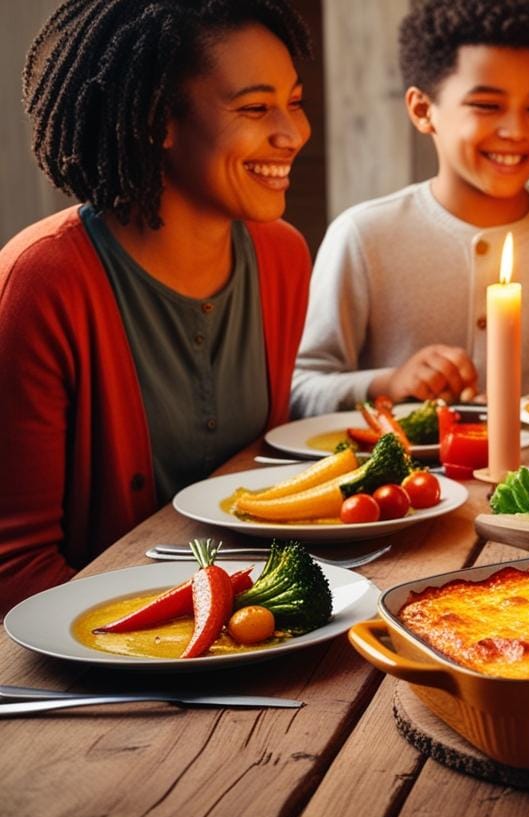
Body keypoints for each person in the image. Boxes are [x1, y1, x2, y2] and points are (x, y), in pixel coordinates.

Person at [0, 0, 314, 611]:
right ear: (156, 120)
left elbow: (261, 479)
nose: (292, 133)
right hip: (96, 654)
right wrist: (173, 639)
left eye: (294, 101)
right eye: (255, 108)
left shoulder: (283, 256)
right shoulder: (42, 282)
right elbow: (14, 565)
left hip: (251, 618)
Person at [290, 0, 529, 417]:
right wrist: (390, 383)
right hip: (413, 480)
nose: (515, 131)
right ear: (424, 110)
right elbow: (299, 390)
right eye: (486, 105)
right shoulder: (365, 235)